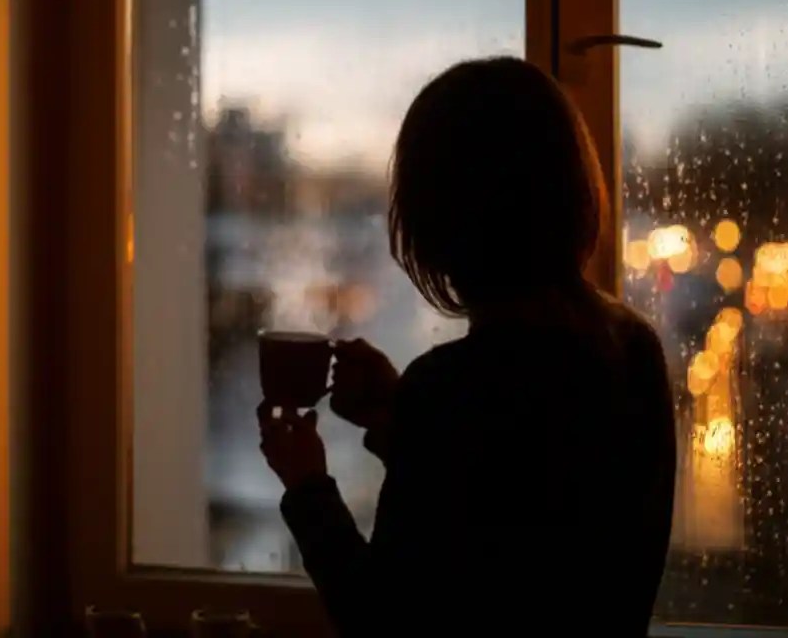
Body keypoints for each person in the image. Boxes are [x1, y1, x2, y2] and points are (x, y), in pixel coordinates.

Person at [257, 57, 677, 637]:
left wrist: (307, 487)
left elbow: (383, 619)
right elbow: (526, 514)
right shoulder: (634, 351)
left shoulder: (454, 389)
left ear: (436, 219)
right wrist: (402, 422)